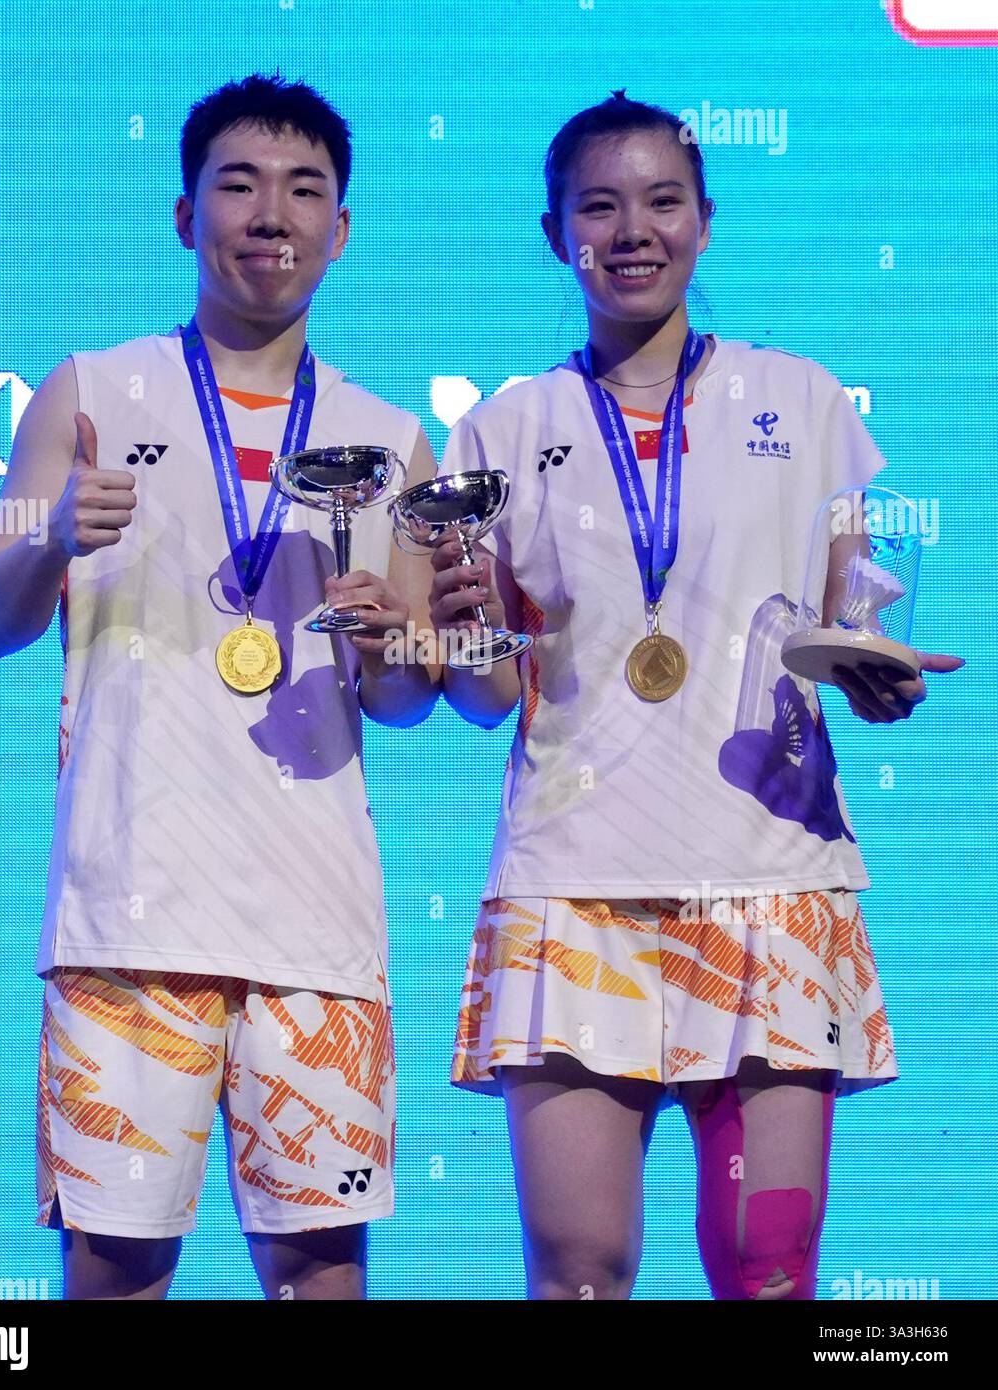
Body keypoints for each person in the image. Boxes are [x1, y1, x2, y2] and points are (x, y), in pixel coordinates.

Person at [428, 91, 964, 1301]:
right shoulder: (502, 428)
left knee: (769, 1273)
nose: (632, 230)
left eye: (661, 201)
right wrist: (464, 639)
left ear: (704, 223)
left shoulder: (804, 402)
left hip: (769, 885)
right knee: (578, 1274)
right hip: (573, 887)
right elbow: (488, 695)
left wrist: (873, 674)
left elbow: (849, 606)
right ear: (554, 231)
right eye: (598, 206)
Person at [0, 73, 439, 1300]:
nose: (269, 213)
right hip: (130, 913)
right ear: (184, 215)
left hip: (317, 927)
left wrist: (392, 646)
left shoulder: (390, 440)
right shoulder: (87, 391)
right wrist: (53, 531)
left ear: (342, 227)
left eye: (303, 189)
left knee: (320, 1272)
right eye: (237, 183)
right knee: (116, 1272)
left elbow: (399, 699)